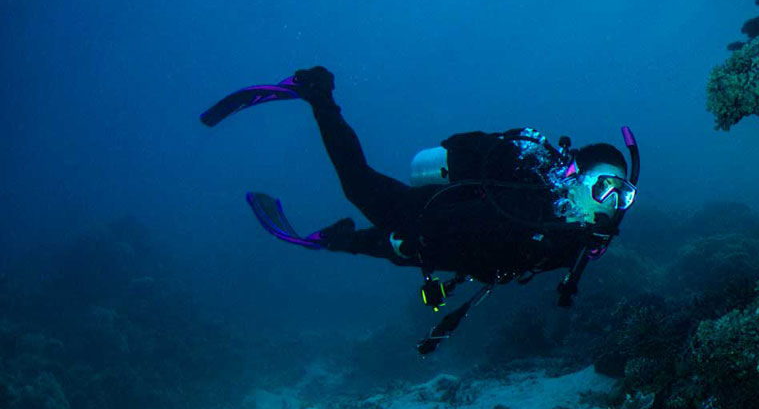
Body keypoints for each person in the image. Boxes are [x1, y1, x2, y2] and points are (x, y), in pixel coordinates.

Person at [202, 66, 640, 353]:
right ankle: (318, 94)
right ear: (572, 175)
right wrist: (421, 251)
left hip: (440, 253)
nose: (612, 204)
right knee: (359, 186)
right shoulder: (527, 197)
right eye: (604, 187)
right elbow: (463, 227)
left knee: (380, 247)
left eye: (622, 196)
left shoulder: (577, 242)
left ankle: (333, 237)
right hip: (424, 220)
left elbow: (504, 260)